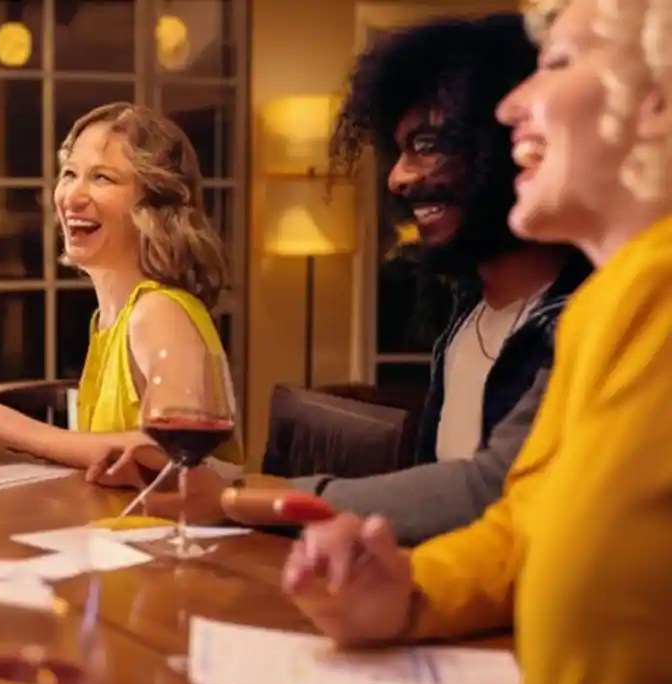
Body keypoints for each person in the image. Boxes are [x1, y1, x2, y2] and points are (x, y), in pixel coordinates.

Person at [285, 0, 672, 684]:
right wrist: (408, 593)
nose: (514, 105)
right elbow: (517, 522)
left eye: (557, 63)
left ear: (658, 103)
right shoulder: (605, 308)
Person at [109, 14, 592, 545]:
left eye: (428, 145)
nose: (398, 177)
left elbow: (485, 494)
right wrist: (220, 482)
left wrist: (233, 499)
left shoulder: (582, 318)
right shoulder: (470, 313)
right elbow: (428, 496)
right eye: (399, 149)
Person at [0, 102, 243, 470]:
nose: (71, 196)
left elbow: (172, 459)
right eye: (70, 173)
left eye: (102, 178)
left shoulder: (159, 312)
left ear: (153, 204)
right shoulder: (109, 319)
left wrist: (1, 421)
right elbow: (87, 459)